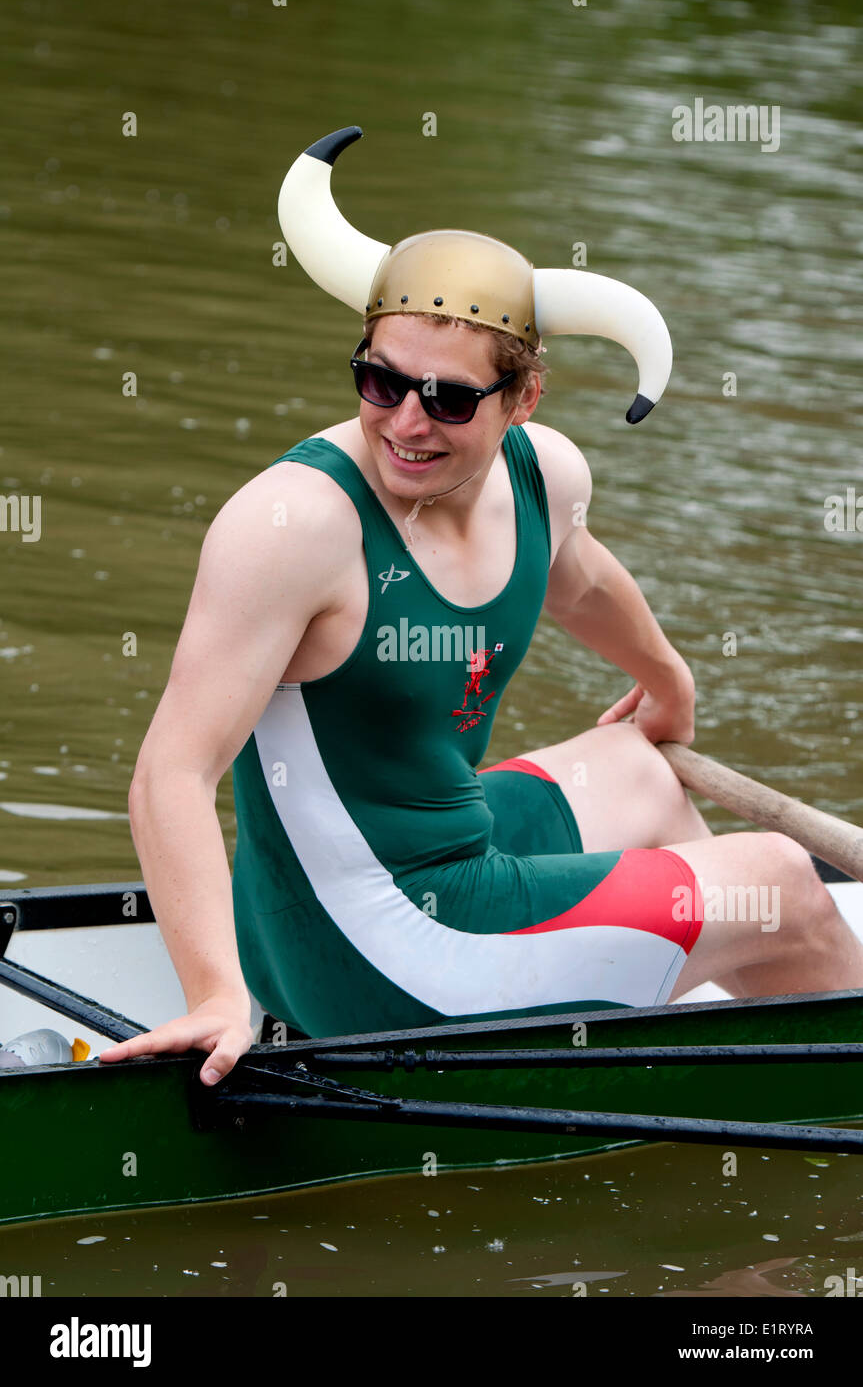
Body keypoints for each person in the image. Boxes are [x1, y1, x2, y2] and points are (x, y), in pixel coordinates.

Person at [101, 129, 863, 1085]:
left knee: (644, 772)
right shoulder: (292, 526)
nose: (405, 424)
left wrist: (664, 680)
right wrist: (213, 996)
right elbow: (168, 774)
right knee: (784, 884)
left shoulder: (545, 477)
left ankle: (716, 1018)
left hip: (442, 859)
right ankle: (815, 1065)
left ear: (525, 399)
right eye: (379, 381)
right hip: (364, 953)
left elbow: (576, 577)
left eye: (448, 400)